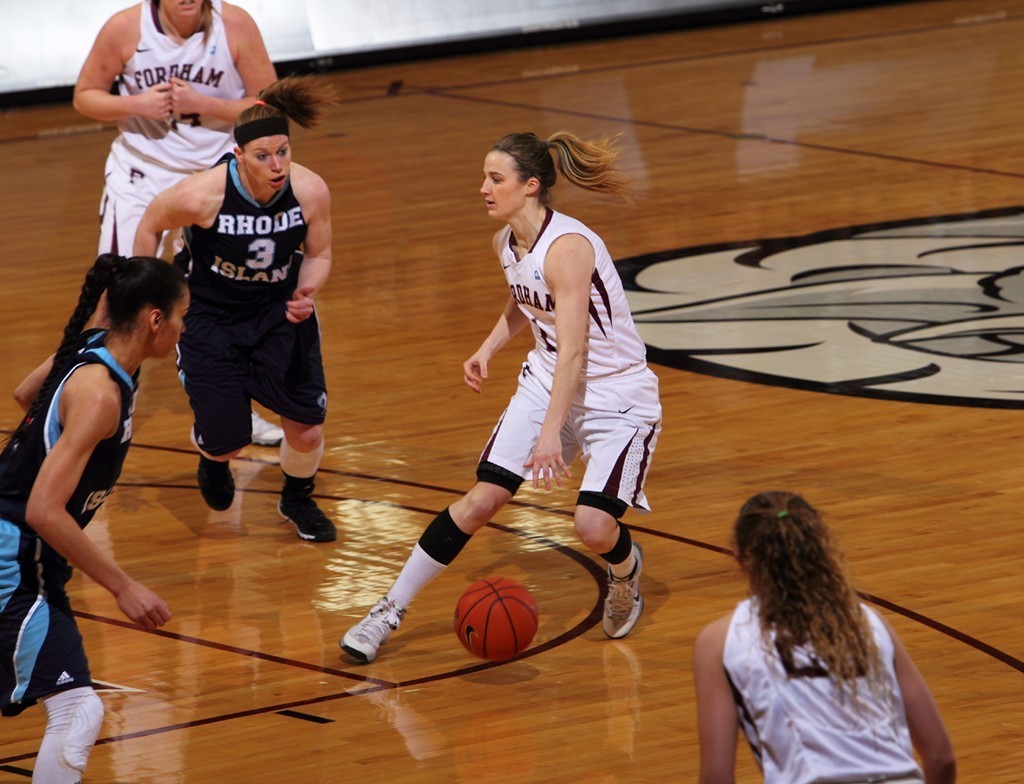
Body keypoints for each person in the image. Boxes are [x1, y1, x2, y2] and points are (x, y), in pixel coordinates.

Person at [340, 130, 662, 663]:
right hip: (547, 378)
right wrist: (488, 348)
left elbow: (575, 353)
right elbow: (524, 300)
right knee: (483, 498)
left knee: (593, 526)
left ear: (530, 186)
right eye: (484, 177)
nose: (483, 188)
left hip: (616, 394)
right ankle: (387, 611)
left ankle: (626, 571)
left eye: (495, 179)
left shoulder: (569, 250)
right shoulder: (506, 242)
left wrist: (548, 437)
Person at [0, 255, 188, 784]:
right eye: (181, 316)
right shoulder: (100, 395)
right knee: (77, 710)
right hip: (16, 557)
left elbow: (24, 394)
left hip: (26, 556)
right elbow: (43, 509)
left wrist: (51, 449)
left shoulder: (92, 344)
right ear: (154, 320)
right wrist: (123, 588)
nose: (183, 328)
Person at [133, 76, 337, 543]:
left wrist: (306, 292)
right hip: (210, 317)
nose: (277, 164)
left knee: (305, 429)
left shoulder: (310, 190)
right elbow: (150, 224)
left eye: (283, 151)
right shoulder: (200, 195)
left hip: (279, 312)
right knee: (229, 440)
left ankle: (298, 498)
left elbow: (320, 254)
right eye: (263, 156)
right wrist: (153, 292)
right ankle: (212, 458)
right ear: (239, 156)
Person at [73, 0, 283, 447]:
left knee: (225, 295)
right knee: (121, 294)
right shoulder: (126, 27)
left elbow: (269, 105)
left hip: (215, 175)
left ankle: (229, 408)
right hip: (141, 172)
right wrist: (135, 103)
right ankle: (107, 403)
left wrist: (201, 102)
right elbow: (84, 95)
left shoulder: (236, 24)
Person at [692, 491, 957, 784]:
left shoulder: (719, 641)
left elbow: (717, 778)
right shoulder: (868, 622)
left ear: (739, 555)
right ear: (819, 548)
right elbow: (941, 757)